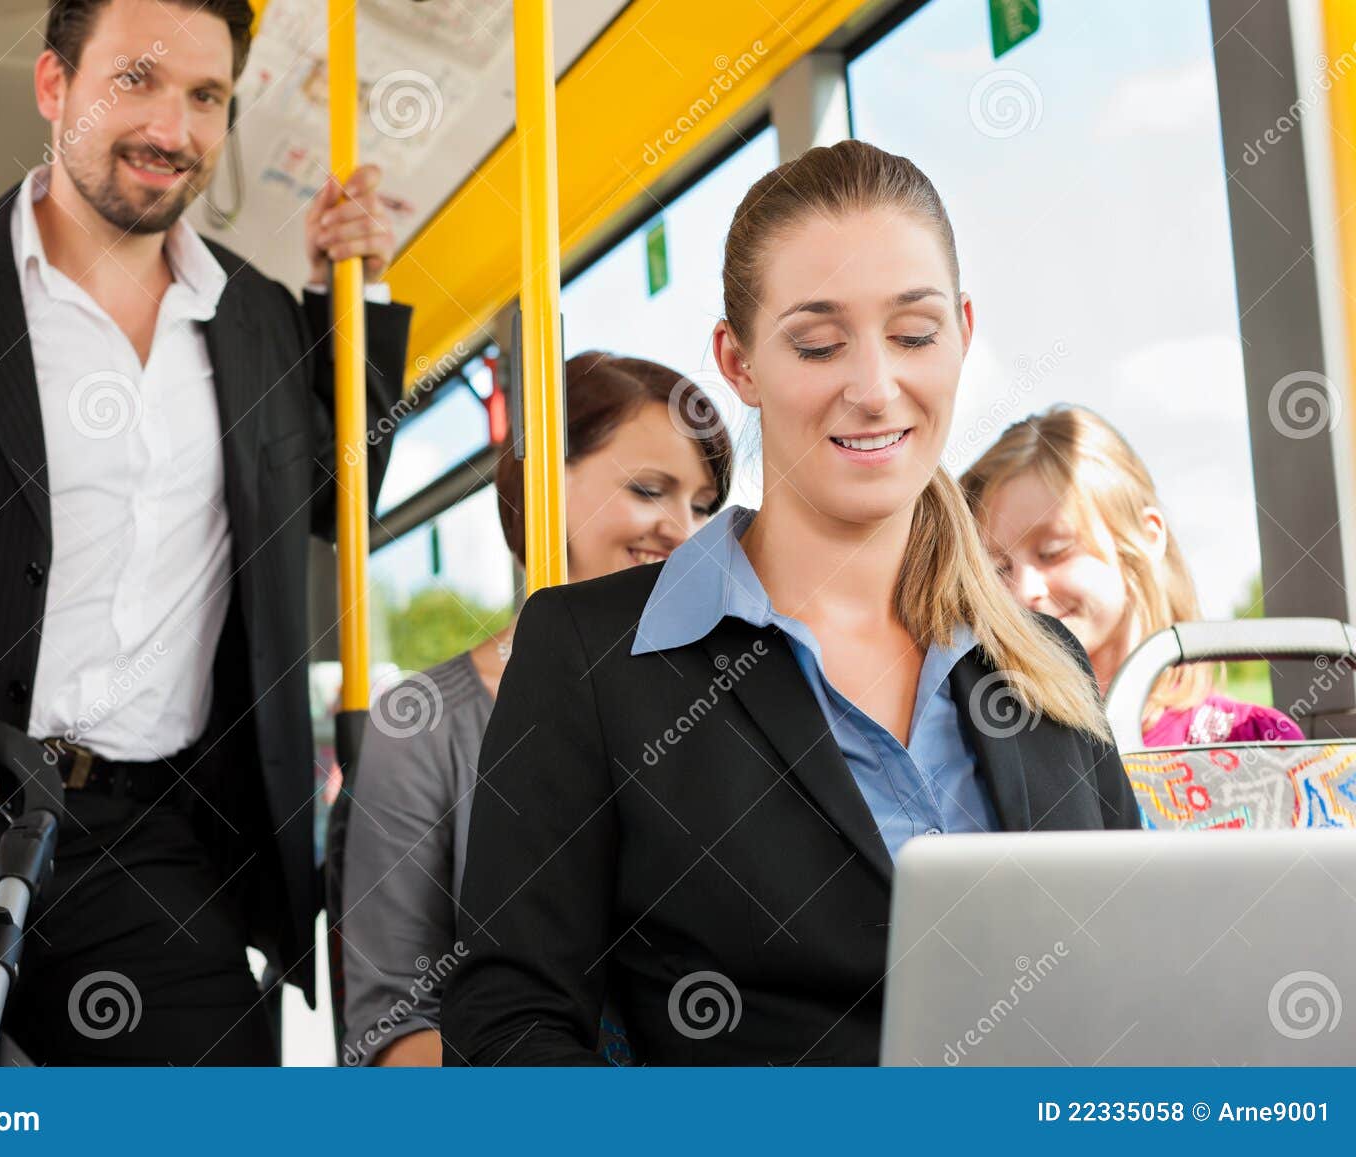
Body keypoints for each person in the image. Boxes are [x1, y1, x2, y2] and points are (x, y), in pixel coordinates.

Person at [0, 0, 410, 1065]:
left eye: (206, 96)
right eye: (136, 80)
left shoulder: (254, 323)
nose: (174, 125)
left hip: (151, 826)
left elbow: (336, 501)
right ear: (53, 85)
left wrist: (358, 290)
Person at [440, 140, 1143, 1067]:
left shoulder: (1044, 660)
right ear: (737, 362)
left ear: (964, 333)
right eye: (818, 343)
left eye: (914, 334)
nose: (874, 386)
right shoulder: (592, 655)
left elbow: (1135, 973)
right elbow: (509, 1024)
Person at [338, 352, 733, 1066]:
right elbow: (390, 1030)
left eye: (705, 505)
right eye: (650, 489)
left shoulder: (729, 702)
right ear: (541, 488)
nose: (685, 530)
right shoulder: (426, 725)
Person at [961, 404, 1302, 747]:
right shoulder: (991, 749)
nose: (1024, 591)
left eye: (1053, 551)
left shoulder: (1251, 740)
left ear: (1146, 538)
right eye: (998, 570)